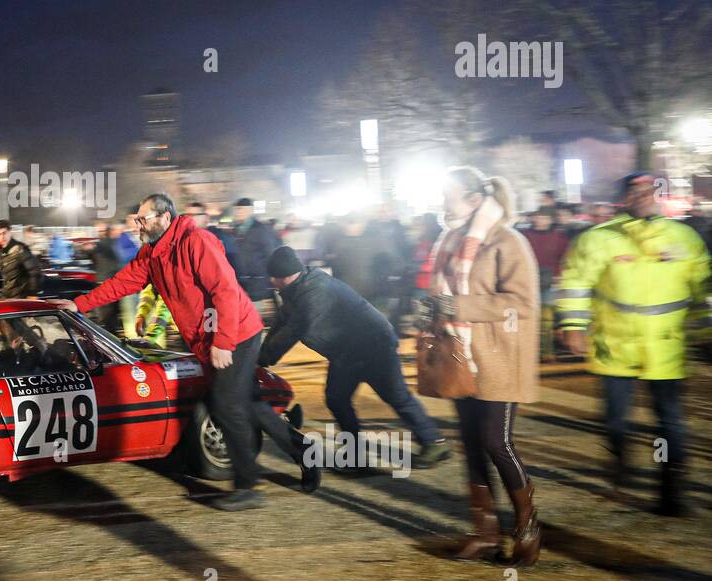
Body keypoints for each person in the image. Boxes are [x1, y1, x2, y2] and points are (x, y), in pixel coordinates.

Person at [58, 193, 295, 511]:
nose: (138, 224)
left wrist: (223, 342)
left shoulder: (197, 242)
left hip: (236, 333)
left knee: (226, 405)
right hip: (208, 339)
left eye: (143, 218)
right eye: (137, 219)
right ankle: (302, 450)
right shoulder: (152, 252)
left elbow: (224, 290)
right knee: (246, 404)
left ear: (164, 218)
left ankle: (248, 485)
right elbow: (123, 283)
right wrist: (79, 304)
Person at [555, 172, 710, 516]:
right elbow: (576, 283)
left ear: (660, 195)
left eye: (649, 190)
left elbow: (700, 291)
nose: (642, 195)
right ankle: (619, 459)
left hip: (665, 347)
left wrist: (704, 335)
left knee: (668, 423)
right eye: (634, 191)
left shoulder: (685, 238)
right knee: (615, 421)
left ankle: (668, 489)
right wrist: (573, 326)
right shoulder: (597, 239)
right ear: (624, 198)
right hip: (616, 343)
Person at [431, 167, 541, 564]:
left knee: (497, 442)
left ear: (475, 199)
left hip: (499, 358)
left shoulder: (506, 241)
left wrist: (458, 307)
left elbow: (522, 303)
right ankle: (484, 533)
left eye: (450, 194)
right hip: (461, 359)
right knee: (472, 445)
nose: (442, 200)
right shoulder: (448, 240)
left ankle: (527, 528)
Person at [259, 246, 450, 468]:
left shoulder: (314, 290)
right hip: (347, 352)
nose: (271, 281)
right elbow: (282, 322)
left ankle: (434, 442)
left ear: (286, 275)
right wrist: (262, 356)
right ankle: (356, 455)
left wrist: (266, 357)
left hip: (373, 346)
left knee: (396, 397)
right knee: (336, 398)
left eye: (274, 276)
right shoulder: (296, 289)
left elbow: (295, 328)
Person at [524, 206, 571, 362]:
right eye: (536, 217)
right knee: (530, 319)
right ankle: (532, 352)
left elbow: (565, 258)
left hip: (550, 282)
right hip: (528, 282)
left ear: (550, 220)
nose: (539, 220)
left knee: (546, 320)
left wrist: (559, 275)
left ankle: (546, 353)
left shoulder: (559, 238)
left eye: (543, 217)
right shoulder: (525, 236)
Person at [231, 198, 281, 309]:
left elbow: (270, 253)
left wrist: (271, 278)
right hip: (242, 283)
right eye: (236, 209)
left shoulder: (261, 229)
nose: (237, 212)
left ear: (250, 210)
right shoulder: (236, 230)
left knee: (261, 317)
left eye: (240, 209)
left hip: (260, 283)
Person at [0, 220, 42, 298]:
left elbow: (35, 272)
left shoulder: (20, 249)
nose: (2, 237)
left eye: (4, 233)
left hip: (21, 297)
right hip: (8, 296)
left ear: (10, 232)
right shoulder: (1, 252)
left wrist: (32, 294)